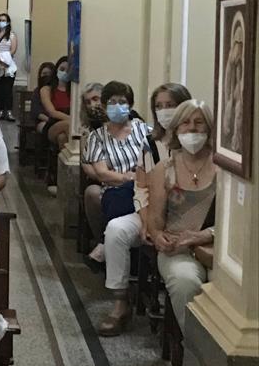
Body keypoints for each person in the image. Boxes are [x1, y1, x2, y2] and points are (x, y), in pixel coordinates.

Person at [96, 82, 192, 335]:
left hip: (186, 218)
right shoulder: (152, 143)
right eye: (159, 106)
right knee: (116, 229)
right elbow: (141, 187)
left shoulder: (195, 144)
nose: (164, 111)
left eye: (170, 105)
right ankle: (119, 302)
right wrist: (146, 220)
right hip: (152, 213)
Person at [147, 100, 217, 330]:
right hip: (178, 250)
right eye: (185, 123)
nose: (193, 129)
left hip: (215, 248)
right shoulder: (164, 169)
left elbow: (236, 224)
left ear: (209, 127)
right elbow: (155, 221)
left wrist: (202, 236)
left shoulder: (224, 169)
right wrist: (157, 237)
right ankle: (195, 350)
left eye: (199, 122)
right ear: (176, 129)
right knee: (185, 281)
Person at [82, 81, 151, 264]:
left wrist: (139, 178)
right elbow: (103, 173)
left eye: (122, 102)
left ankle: (106, 245)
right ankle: (112, 247)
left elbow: (155, 160)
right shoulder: (97, 137)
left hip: (145, 188)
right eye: (112, 102)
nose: (117, 106)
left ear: (130, 105)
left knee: (133, 193)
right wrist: (128, 177)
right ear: (104, 106)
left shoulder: (143, 130)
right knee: (119, 193)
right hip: (114, 188)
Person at [0, 12, 18, 121]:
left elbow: (13, 50)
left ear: (8, 22)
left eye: (3, 20)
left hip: (8, 64)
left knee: (8, 89)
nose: (1, 22)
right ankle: (0, 110)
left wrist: (5, 59)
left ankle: (9, 111)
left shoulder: (12, 35)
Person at [36, 57, 72, 146]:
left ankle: (67, 159)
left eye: (68, 70)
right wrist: (71, 120)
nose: (64, 73)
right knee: (68, 125)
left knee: (62, 138)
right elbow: (52, 112)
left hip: (70, 125)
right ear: (56, 70)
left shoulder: (74, 91)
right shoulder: (46, 89)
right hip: (53, 123)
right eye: (62, 69)